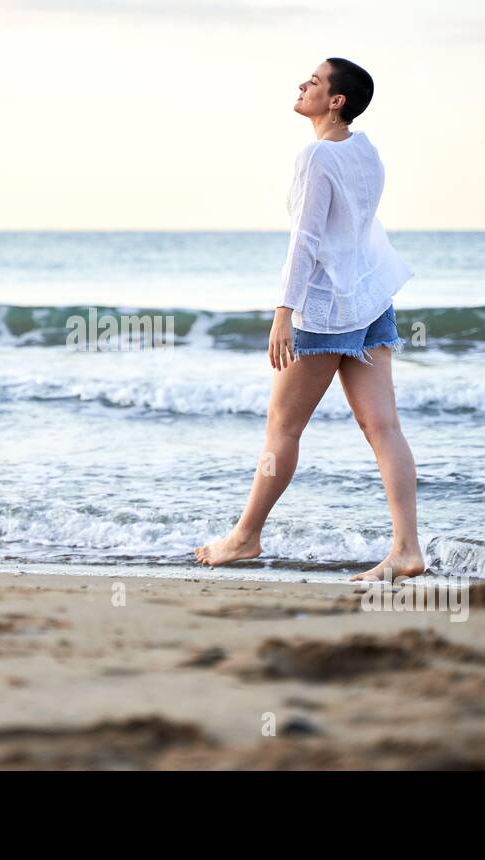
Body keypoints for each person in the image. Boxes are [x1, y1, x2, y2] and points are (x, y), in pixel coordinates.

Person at [193, 57, 423, 583]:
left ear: (336, 101)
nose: (303, 85)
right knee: (384, 427)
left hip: (326, 307)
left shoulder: (316, 156)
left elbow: (307, 241)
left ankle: (245, 536)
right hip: (372, 297)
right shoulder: (366, 151)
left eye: (315, 82)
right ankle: (407, 549)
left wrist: (283, 312)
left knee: (282, 427)